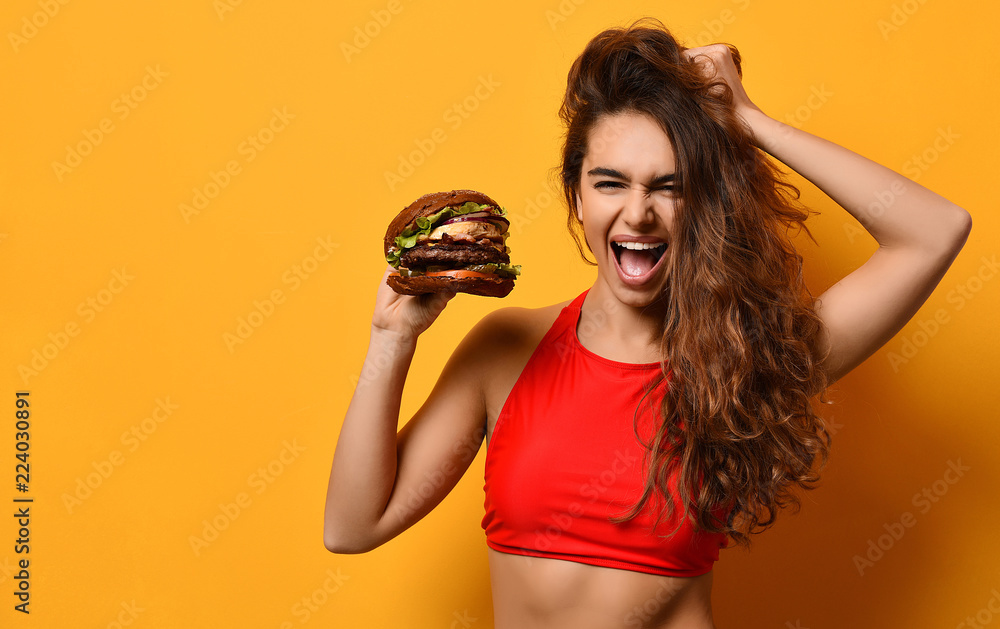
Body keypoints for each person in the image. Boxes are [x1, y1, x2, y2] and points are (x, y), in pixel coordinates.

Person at [323, 18, 971, 629]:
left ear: (701, 202)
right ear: (578, 197)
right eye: (611, 183)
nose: (638, 212)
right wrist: (392, 339)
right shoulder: (504, 351)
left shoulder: (746, 362)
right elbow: (353, 526)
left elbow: (934, 231)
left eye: (668, 184)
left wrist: (748, 121)